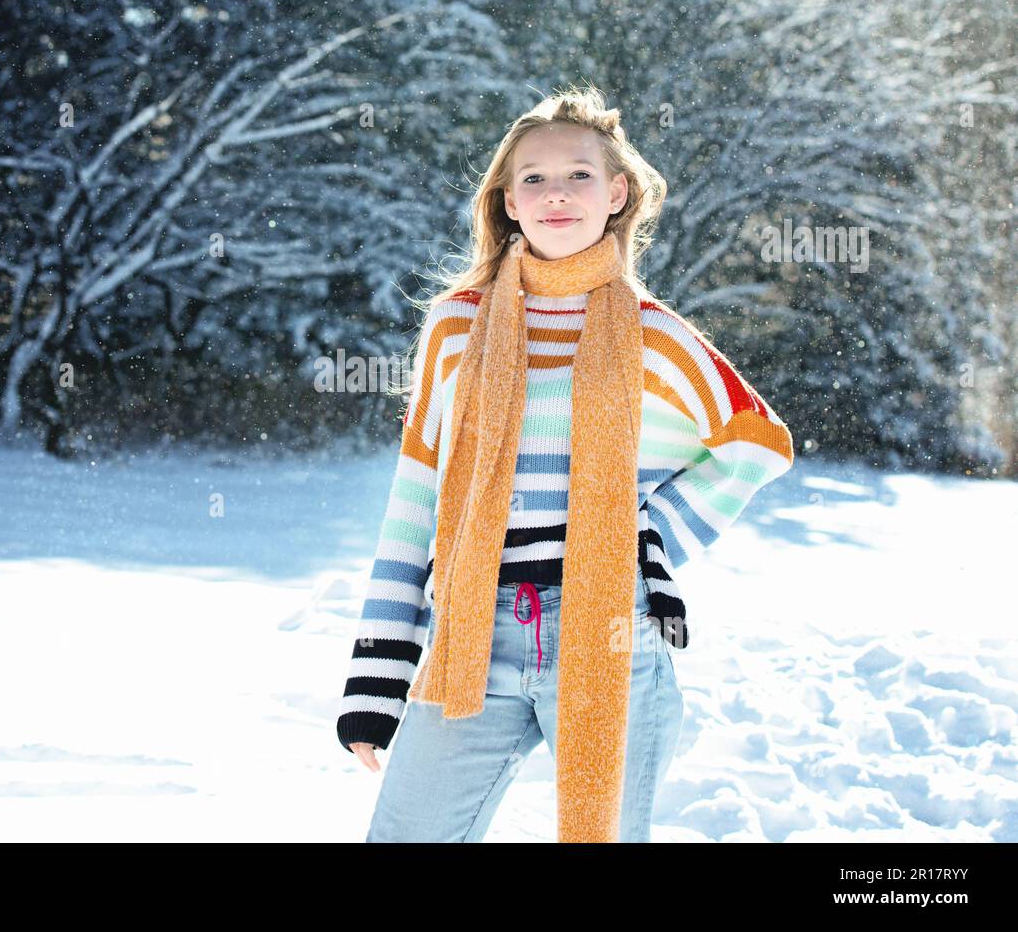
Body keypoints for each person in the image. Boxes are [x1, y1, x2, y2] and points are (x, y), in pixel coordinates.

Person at [335, 83, 795, 842]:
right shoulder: (457, 326)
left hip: (612, 636)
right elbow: (416, 496)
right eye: (534, 178)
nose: (557, 193)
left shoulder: (654, 334)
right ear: (508, 201)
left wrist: (643, 540)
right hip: (468, 640)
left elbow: (759, 440)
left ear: (617, 192)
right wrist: (378, 676)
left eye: (579, 174)